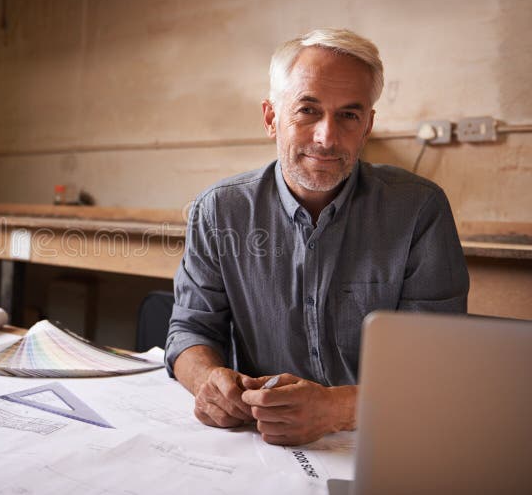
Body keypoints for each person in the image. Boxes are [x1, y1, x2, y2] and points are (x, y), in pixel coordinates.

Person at [165, 28, 469, 446]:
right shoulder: (219, 210)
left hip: (383, 436)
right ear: (271, 118)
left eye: (348, 115)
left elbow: (438, 363)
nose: (327, 138)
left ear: (367, 126)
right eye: (308, 110)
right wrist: (207, 381)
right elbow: (189, 331)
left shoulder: (418, 209)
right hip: (257, 441)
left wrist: (337, 409)